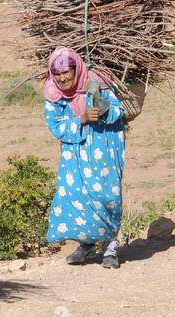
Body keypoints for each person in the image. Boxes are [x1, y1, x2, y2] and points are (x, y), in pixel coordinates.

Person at [42, 46, 127, 269]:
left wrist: (103, 110)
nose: (62, 78)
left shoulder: (96, 82)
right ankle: (86, 245)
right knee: (77, 195)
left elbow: (120, 112)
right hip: (75, 153)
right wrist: (81, 119)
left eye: (66, 72)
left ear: (76, 69)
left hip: (104, 148)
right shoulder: (53, 93)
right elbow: (55, 126)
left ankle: (110, 248)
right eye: (57, 74)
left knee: (106, 194)